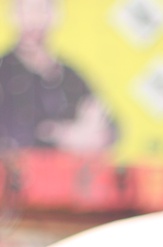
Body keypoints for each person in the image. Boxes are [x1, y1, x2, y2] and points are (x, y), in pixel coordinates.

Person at [0, 0, 116, 153]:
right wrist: (61, 134)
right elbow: (14, 133)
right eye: (27, 11)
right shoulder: (4, 71)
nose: (33, 20)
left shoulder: (69, 76)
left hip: (67, 166)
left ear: (54, 17)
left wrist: (98, 134)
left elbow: (108, 122)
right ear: (13, 16)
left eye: (40, 11)